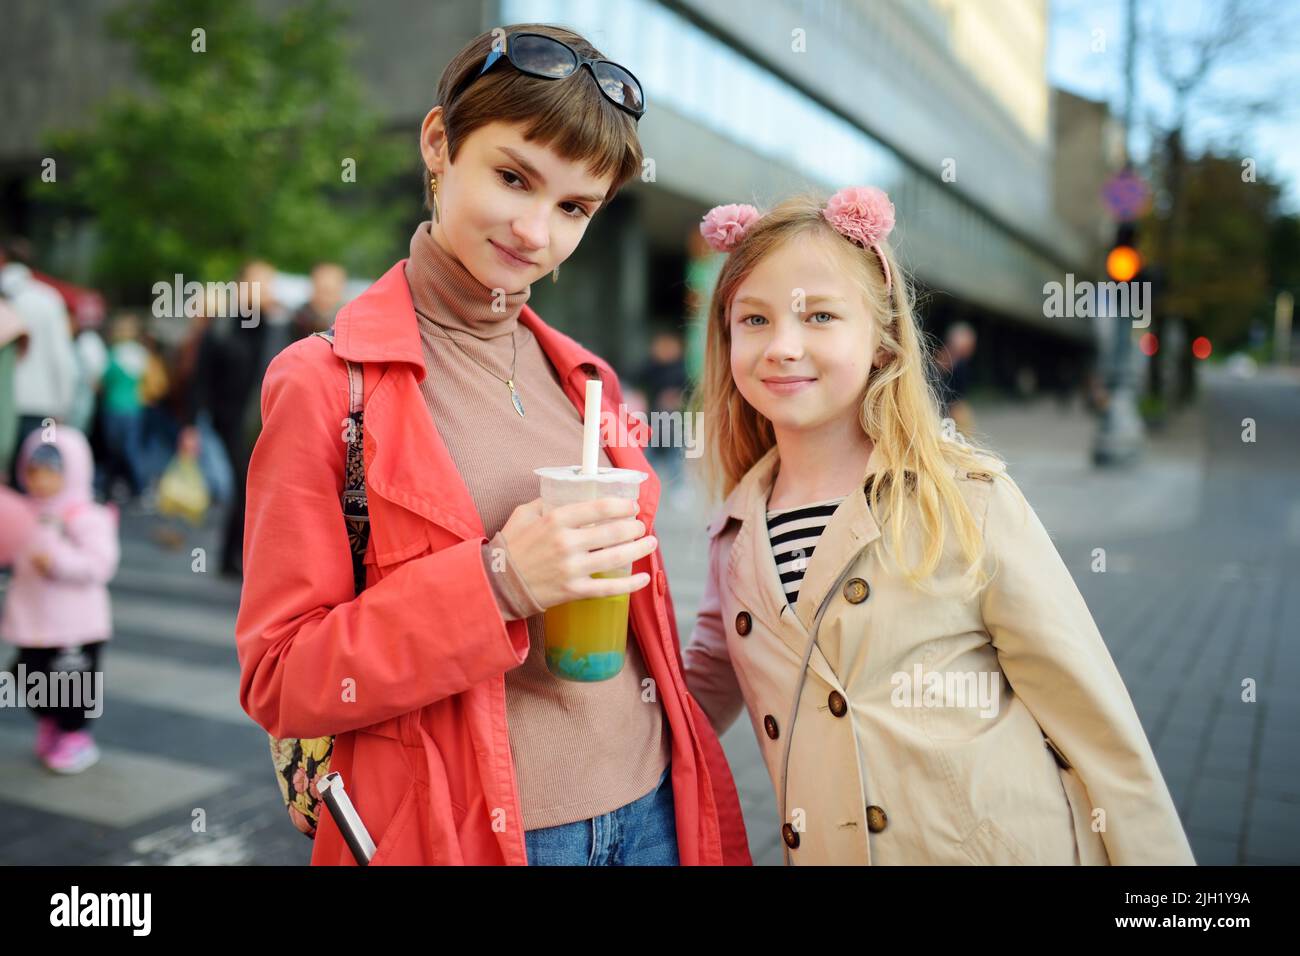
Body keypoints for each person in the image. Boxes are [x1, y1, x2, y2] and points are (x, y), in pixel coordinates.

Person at [235, 24, 750, 867]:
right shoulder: (327, 385)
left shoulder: (587, 381)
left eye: (574, 207)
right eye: (514, 177)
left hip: (654, 806)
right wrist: (499, 581)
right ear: (439, 145)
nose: (536, 232)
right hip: (481, 833)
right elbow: (282, 677)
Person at [681, 189, 1195, 865]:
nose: (782, 346)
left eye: (821, 316)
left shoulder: (964, 497)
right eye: (754, 319)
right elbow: (700, 689)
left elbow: (1094, 718)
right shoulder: (736, 525)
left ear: (882, 342)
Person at [0, 426, 120, 773]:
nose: (40, 480)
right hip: (34, 621)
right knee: (27, 674)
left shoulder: (85, 517)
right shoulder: (25, 514)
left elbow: (101, 564)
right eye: (33, 471)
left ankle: (74, 736)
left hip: (76, 627)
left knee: (72, 686)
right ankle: (50, 720)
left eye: (51, 473)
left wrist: (58, 563)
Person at [1, 247, 77, 487]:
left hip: (5, 404)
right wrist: (63, 407)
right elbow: (62, 360)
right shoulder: (48, 298)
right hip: (41, 409)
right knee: (37, 480)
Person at [288, 261, 347, 343]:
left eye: (330, 291)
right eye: (323, 289)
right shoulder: (295, 319)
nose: (326, 296)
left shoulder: (348, 322)